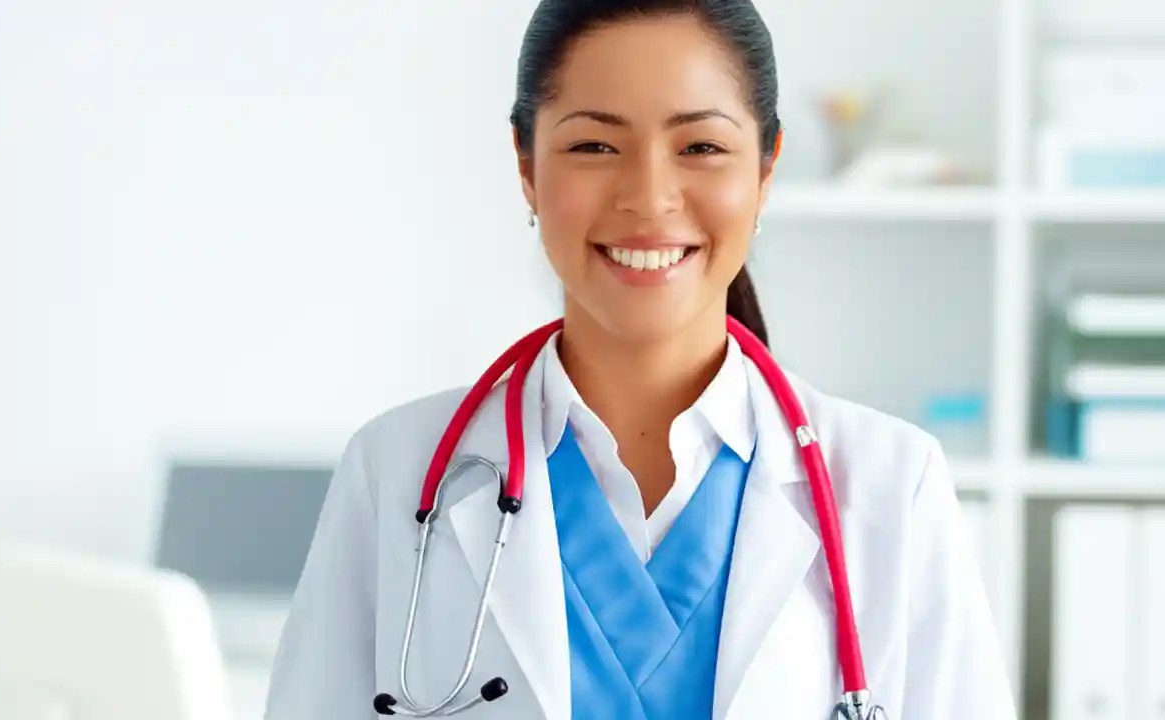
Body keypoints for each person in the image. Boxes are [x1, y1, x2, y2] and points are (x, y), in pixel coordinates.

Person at [264, 1, 1017, 718]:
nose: (649, 196)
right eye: (595, 145)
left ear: (765, 170)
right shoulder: (394, 472)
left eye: (701, 147)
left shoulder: (891, 485)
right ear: (527, 164)